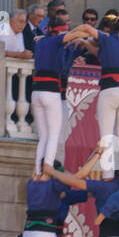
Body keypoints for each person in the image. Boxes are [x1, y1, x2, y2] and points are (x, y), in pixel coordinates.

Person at [79, 14, 119, 177]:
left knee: (107, 137)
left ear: (108, 29)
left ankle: (108, 176)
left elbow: (87, 28)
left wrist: (72, 34)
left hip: (109, 90)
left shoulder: (106, 39)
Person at [31, 12, 94, 175]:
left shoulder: (40, 41)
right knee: (53, 136)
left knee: (43, 137)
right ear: (60, 31)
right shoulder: (58, 40)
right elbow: (74, 35)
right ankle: (47, 170)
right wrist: (88, 33)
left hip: (36, 91)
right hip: (50, 91)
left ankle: (38, 171)